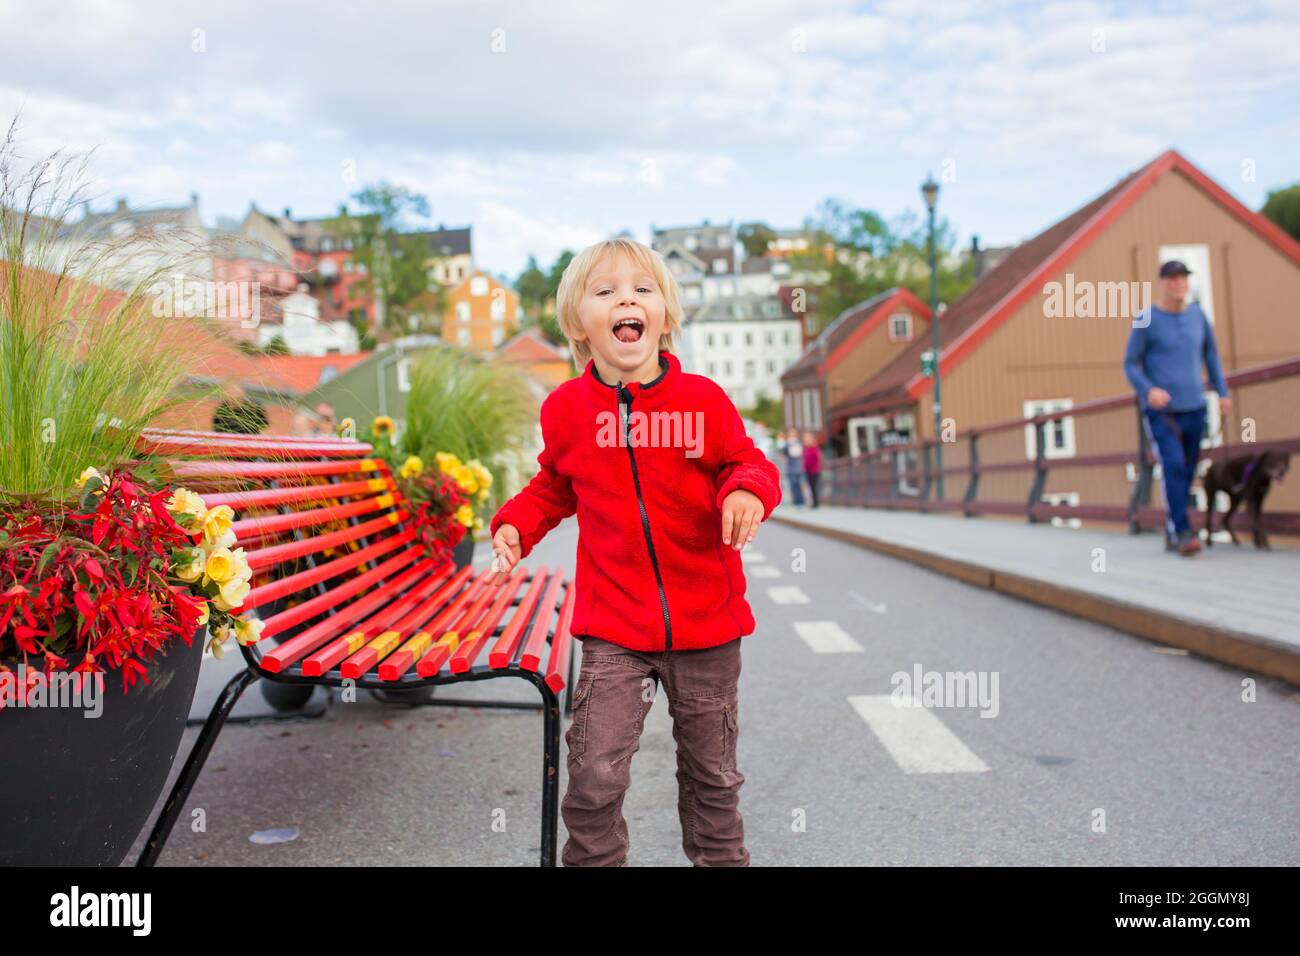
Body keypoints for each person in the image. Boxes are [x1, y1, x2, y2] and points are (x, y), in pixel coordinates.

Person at [488, 237, 781, 866]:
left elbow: (746, 462)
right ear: (579, 324)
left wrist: (747, 493)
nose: (627, 298)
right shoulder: (566, 410)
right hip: (614, 627)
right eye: (606, 291)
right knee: (594, 776)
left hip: (707, 627)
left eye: (643, 290)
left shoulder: (701, 401)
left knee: (712, 780)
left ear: (665, 317)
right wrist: (516, 525)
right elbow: (553, 486)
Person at [1123, 260, 1231, 555]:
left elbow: (1212, 357)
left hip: (1194, 406)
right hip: (1162, 410)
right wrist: (1149, 390)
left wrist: (1222, 392)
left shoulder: (1199, 317)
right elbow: (1130, 363)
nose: (1178, 284)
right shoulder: (1147, 319)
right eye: (1172, 279)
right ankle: (1183, 531)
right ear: (1162, 283)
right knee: (1172, 465)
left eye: (1182, 278)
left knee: (1188, 468)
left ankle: (1174, 527)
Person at [781, 428, 806, 506]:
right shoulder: (789, 444)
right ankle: (796, 501)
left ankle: (800, 500)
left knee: (798, 484)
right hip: (791, 467)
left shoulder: (796, 443)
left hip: (797, 467)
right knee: (793, 484)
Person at [802, 430, 822, 508]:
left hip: (814, 470)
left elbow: (816, 458)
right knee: (811, 487)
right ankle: (814, 502)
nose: (805, 441)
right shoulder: (806, 448)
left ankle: (816, 503)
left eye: (807, 439)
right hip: (808, 470)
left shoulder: (814, 448)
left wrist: (809, 466)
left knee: (814, 486)